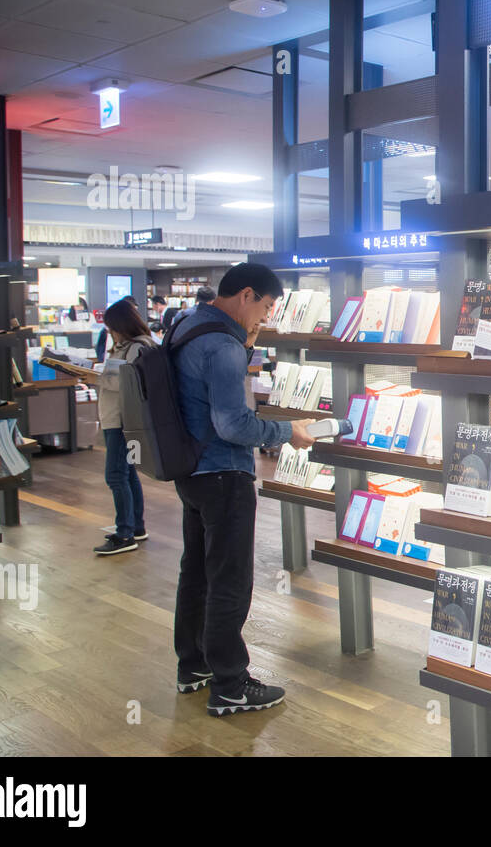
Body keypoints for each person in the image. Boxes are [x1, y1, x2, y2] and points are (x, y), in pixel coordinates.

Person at [171, 263, 316, 715]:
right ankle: (231, 684)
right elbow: (233, 423)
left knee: (196, 572)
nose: (266, 318)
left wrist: (246, 342)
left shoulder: (189, 326)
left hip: (190, 471)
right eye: (267, 307)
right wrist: (286, 432)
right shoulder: (222, 346)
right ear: (247, 295)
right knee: (230, 581)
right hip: (224, 476)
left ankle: (193, 665)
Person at [93, 299, 156, 556]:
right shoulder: (135, 346)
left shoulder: (135, 348)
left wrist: (93, 377)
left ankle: (125, 532)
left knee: (116, 475)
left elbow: (126, 383)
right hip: (120, 419)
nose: (111, 334)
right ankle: (135, 527)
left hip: (121, 421)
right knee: (128, 473)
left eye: (112, 328)